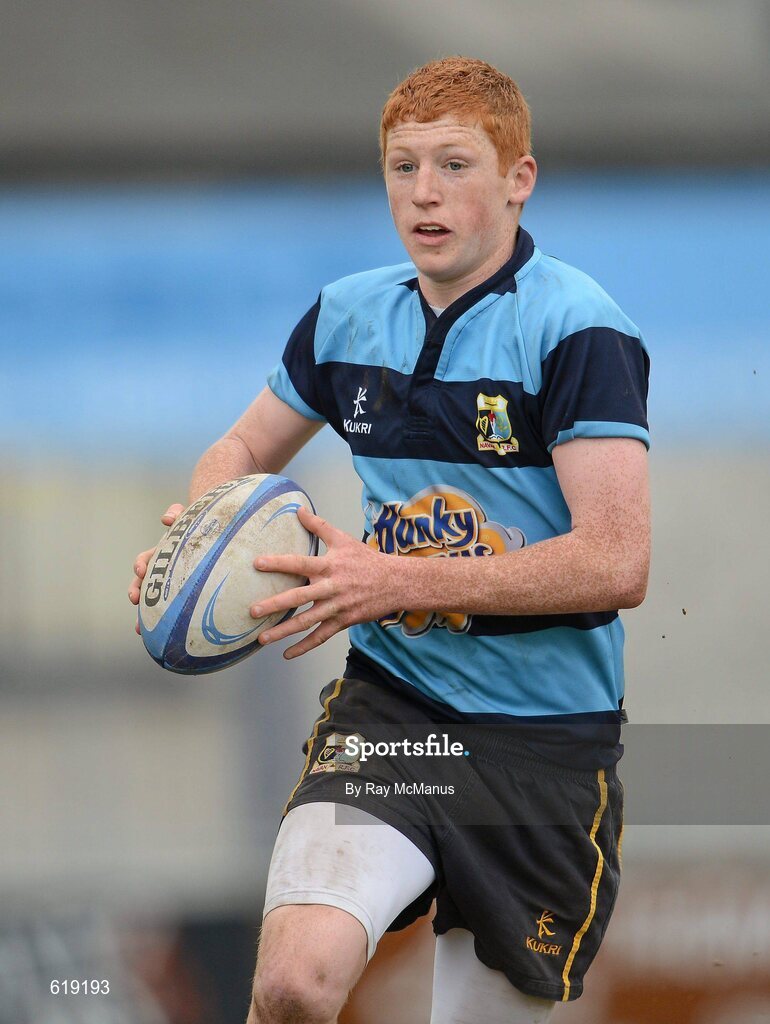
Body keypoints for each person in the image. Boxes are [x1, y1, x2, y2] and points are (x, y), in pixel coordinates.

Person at [129, 56, 650, 1024]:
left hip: (541, 752)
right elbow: (239, 447)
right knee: (292, 982)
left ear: (515, 178)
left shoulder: (578, 330)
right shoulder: (345, 315)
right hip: (394, 716)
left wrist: (386, 577)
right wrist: (203, 533)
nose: (422, 194)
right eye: (400, 167)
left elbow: (615, 562)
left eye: (453, 164)